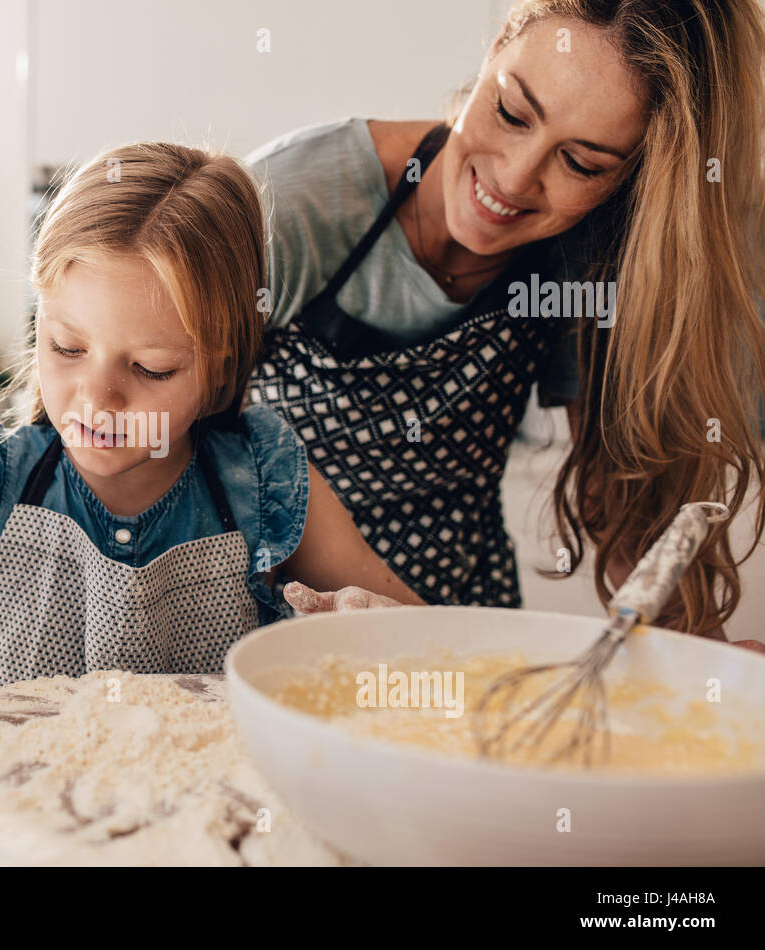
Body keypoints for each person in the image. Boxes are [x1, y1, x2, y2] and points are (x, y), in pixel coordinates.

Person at [0, 142, 423, 687]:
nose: (96, 398)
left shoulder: (264, 477)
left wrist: (377, 634)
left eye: (151, 368)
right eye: (67, 347)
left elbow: (442, 651)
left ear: (220, 363)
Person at [243, 0, 765, 643]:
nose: (514, 179)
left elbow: (620, 503)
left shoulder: (589, 255)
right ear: (495, 50)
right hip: (283, 619)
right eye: (511, 112)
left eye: (583, 164)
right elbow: (162, 450)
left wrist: (704, 652)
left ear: (630, 180)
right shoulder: (292, 201)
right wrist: (412, 632)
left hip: (469, 609)